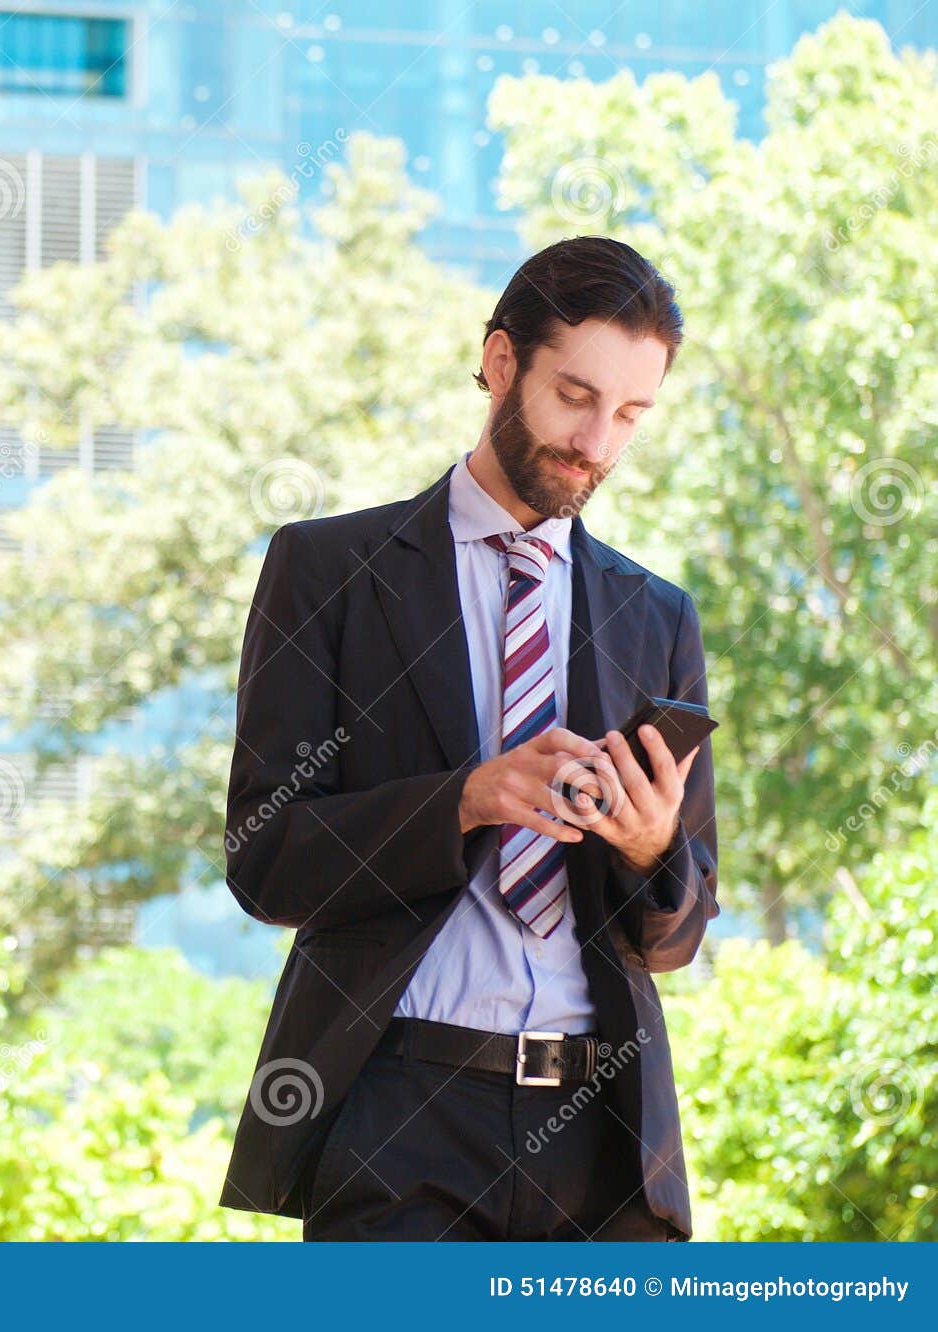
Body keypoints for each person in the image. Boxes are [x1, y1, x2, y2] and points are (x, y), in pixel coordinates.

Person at [218, 236, 718, 1241]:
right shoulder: (331, 572)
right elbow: (266, 863)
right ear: (499, 364)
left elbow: (675, 938)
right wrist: (466, 799)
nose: (597, 443)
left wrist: (653, 849)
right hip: (399, 1112)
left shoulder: (655, 619)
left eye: (628, 414)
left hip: (607, 1139)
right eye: (574, 396)